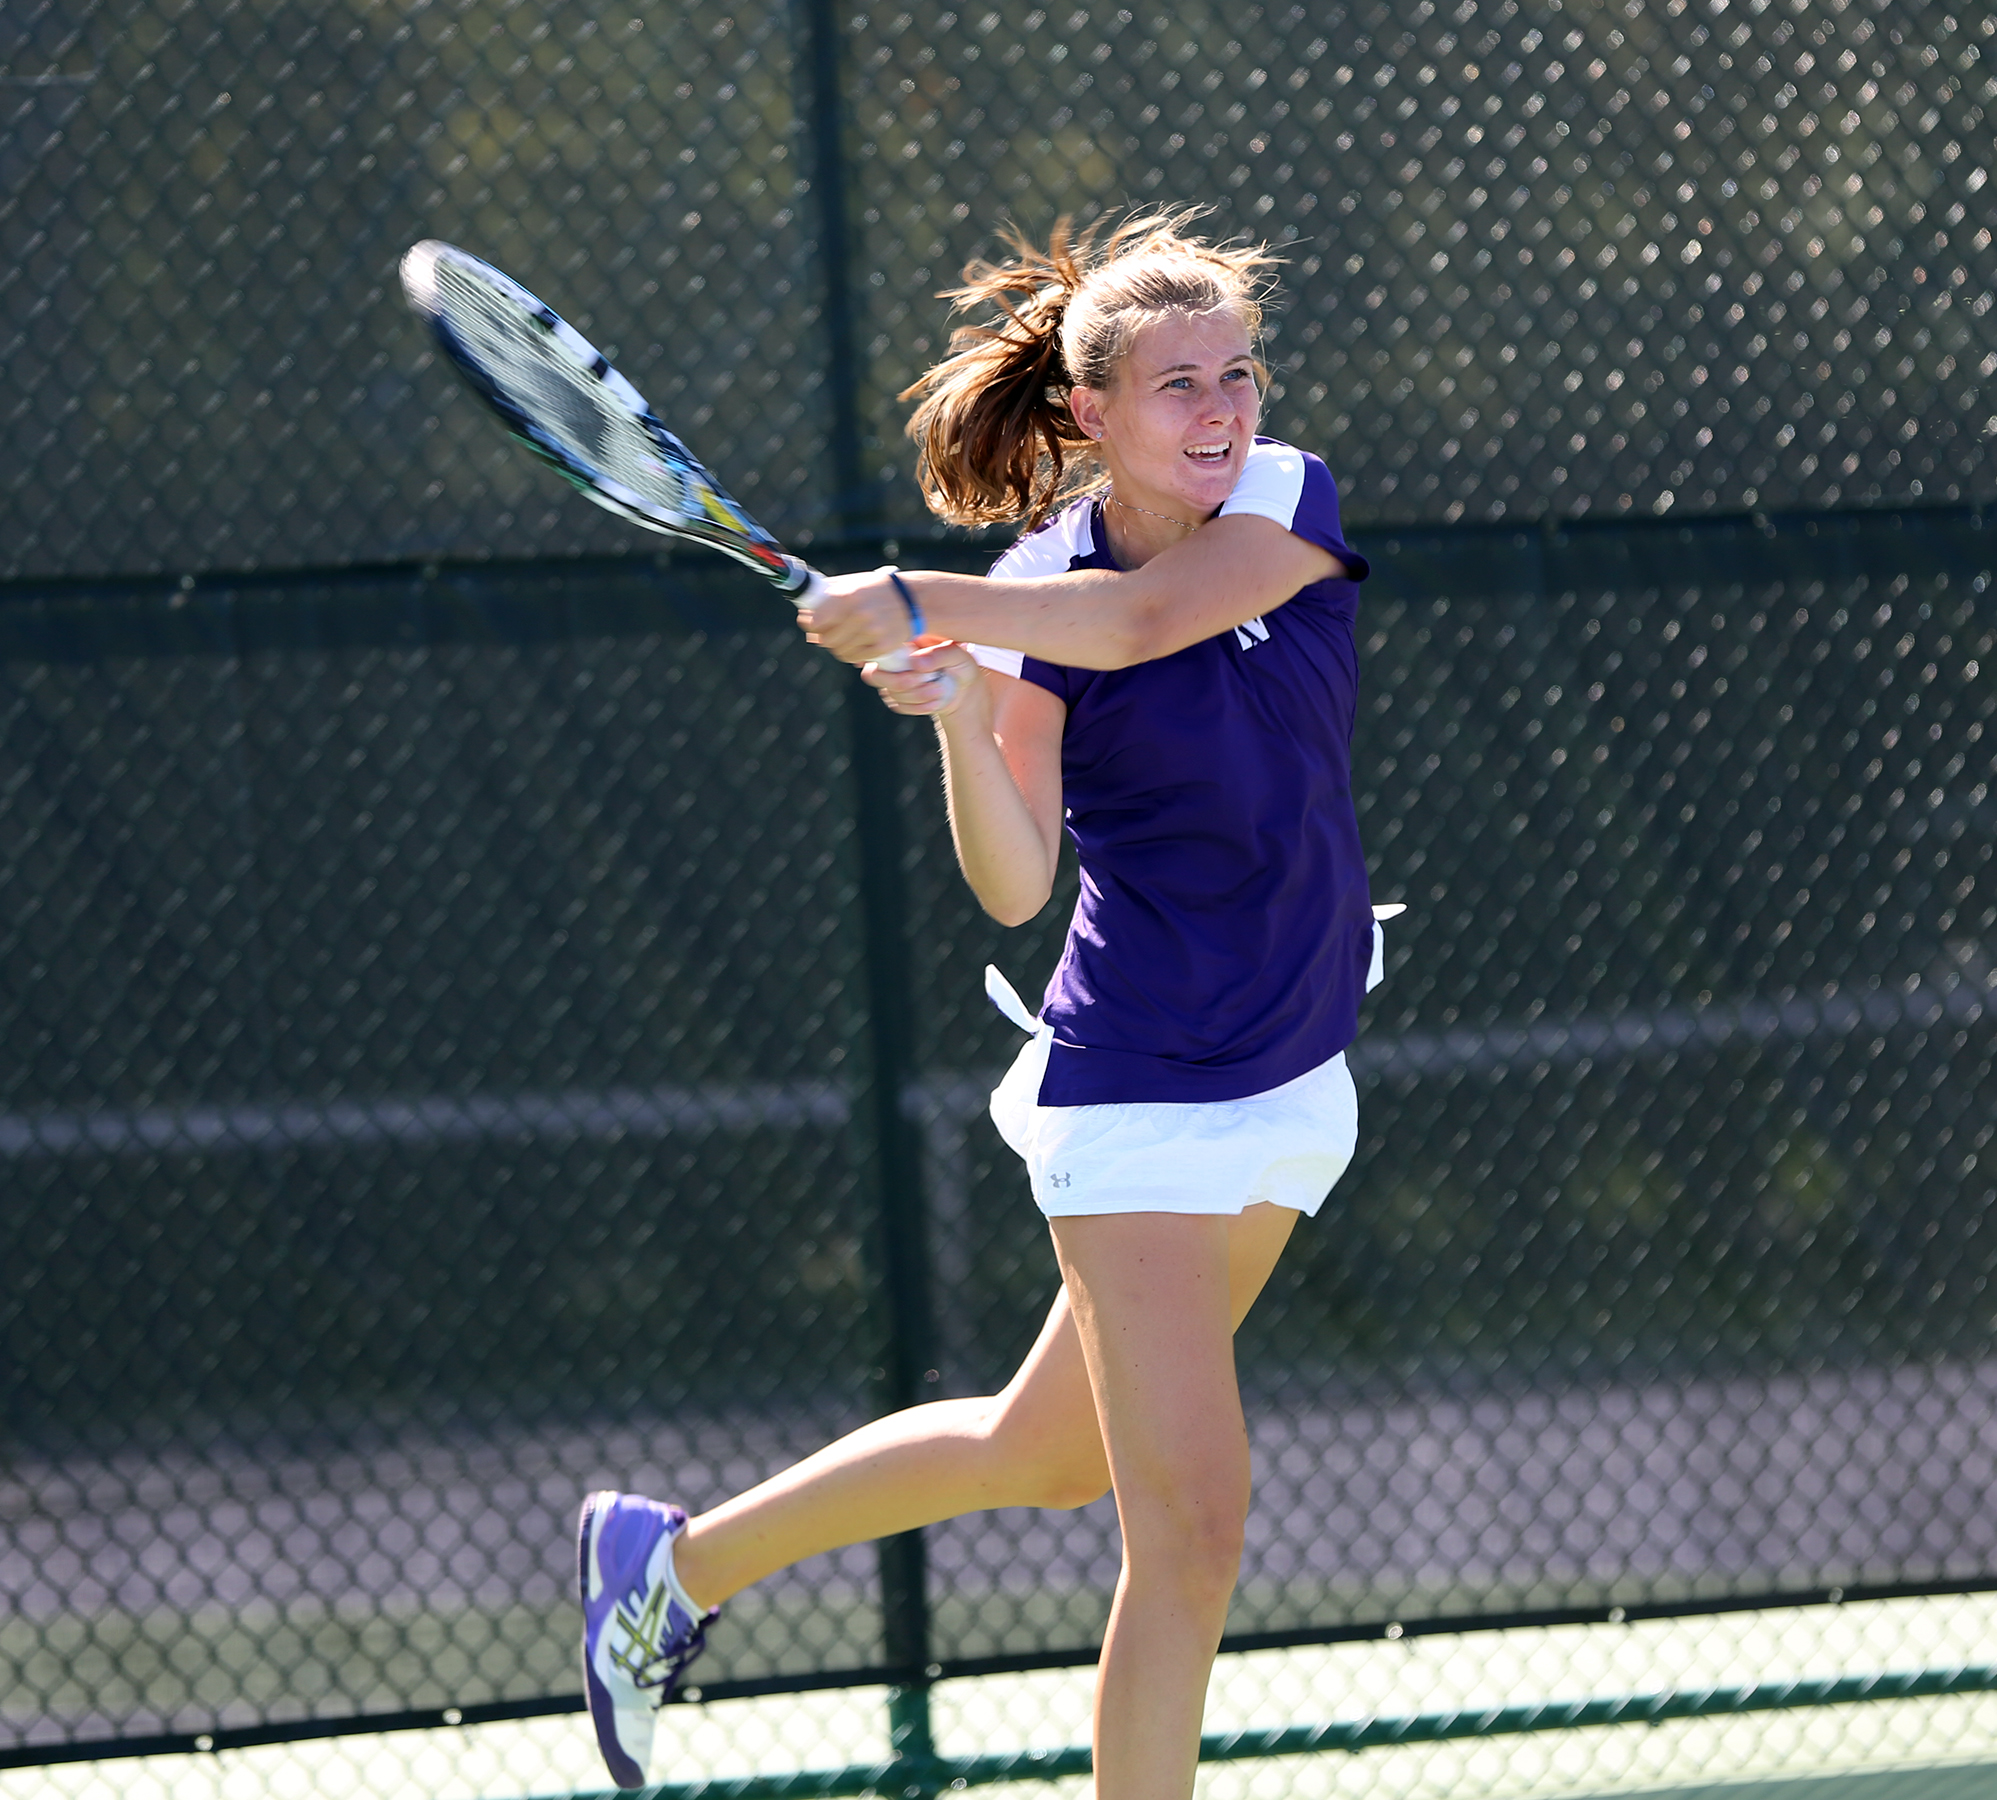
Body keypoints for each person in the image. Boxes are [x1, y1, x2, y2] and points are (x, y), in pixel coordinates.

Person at [576, 211, 1382, 1800]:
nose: (1220, 410)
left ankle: (667, 1566)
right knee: (1193, 1532)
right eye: (1176, 388)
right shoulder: (1022, 593)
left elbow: (1147, 622)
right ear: (1088, 413)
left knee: (1049, 1456)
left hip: (1293, 1071)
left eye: (1237, 372)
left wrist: (922, 603)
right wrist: (953, 701)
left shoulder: (1280, 500)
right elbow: (1014, 882)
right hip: (1137, 1087)